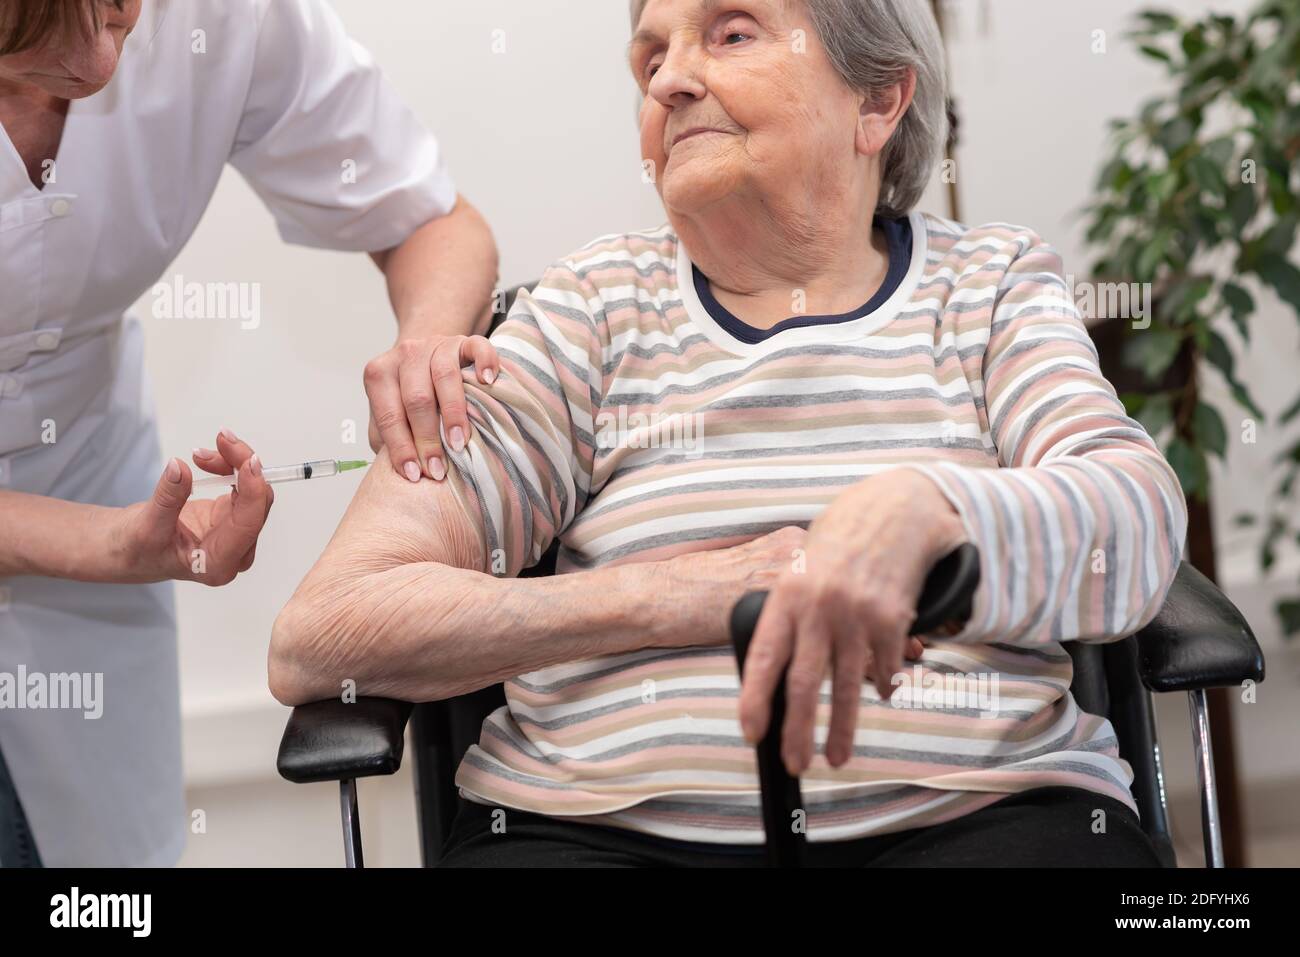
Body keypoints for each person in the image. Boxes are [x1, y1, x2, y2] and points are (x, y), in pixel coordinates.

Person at [268, 0, 1187, 866]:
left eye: (732, 33)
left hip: (978, 814)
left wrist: (940, 512)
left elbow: (1135, 522)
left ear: (877, 100)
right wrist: (675, 595)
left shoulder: (992, 286)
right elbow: (326, 630)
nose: (668, 79)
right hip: (597, 833)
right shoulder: (586, 312)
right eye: (650, 56)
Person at [0, 0, 499, 866]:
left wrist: (423, 349)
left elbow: (431, 221)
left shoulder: (221, 16)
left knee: (105, 885)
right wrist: (114, 546)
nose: (98, 63)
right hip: (96, 526)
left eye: (120, 13)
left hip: (83, 455)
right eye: (29, 37)